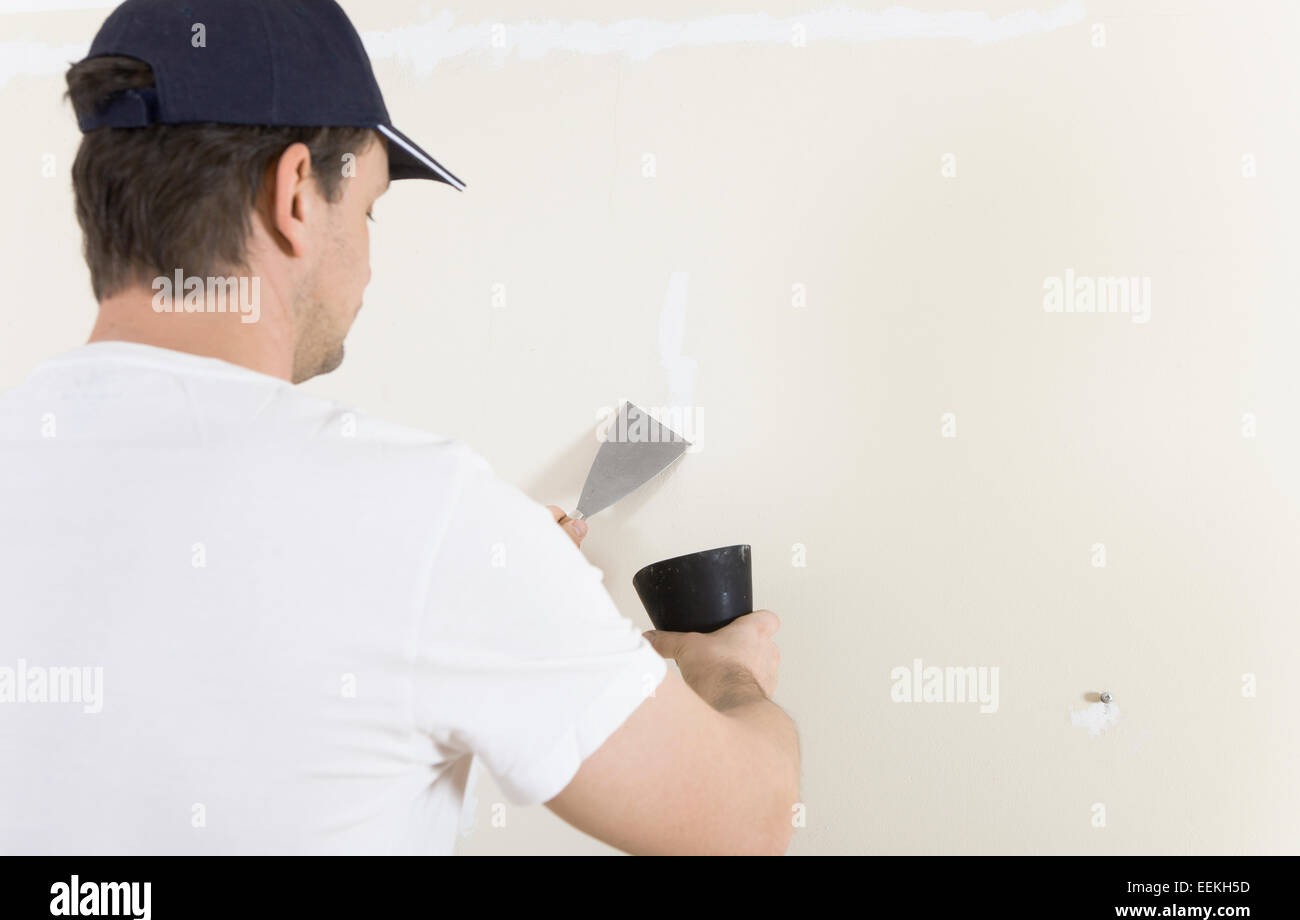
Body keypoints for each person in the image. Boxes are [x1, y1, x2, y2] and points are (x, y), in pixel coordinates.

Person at [0, 0, 799, 856]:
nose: (371, 257)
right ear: (297, 194)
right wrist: (727, 671)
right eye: (371, 208)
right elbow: (742, 823)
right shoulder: (432, 518)